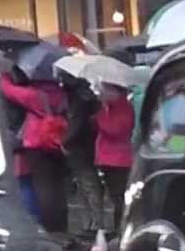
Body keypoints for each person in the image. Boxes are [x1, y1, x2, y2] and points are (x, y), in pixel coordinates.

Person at [0, 67, 68, 232]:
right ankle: (61, 225)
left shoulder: (35, 94)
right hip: (59, 141)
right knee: (59, 185)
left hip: (38, 142)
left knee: (43, 186)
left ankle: (49, 226)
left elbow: (8, 90)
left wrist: (4, 75)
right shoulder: (61, 93)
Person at [58, 70, 102, 237]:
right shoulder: (87, 95)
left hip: (78, 147)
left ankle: (92, 223)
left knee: (87, 184)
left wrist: (65, 142)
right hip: (87, 144)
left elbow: (76, 123)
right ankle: (93, 222)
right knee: (89, 183)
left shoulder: (78, 98)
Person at [93, 82, 135, 233]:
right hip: (108, 158)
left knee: (119, 197)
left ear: (115, 91)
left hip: (118, 160)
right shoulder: (110, 107)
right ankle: (118, 227)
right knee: (115, 196)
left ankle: (120, 228)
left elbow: (116, 130)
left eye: (105, 89)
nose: (101, 93)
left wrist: (99, 118)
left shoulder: (123, 108)